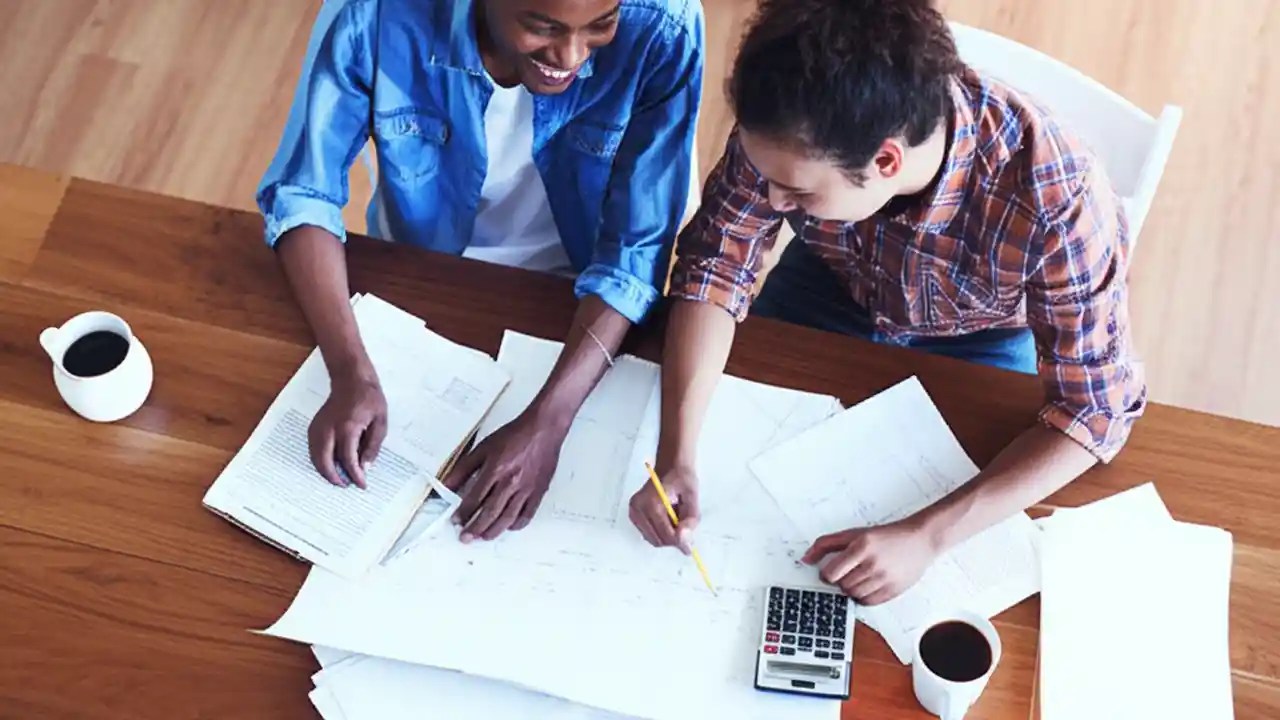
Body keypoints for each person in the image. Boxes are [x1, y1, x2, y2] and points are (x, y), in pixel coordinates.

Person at [629, 0, 1145, 605]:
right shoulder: (792, 125)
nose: (768, 198)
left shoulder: (1057, 200)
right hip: (829, 282)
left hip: (977, 336)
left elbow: (1094, 415)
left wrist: (926, 537)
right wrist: (677, 452)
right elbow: (716, 265)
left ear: (885, 161)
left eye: (793, 190)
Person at [257, 0, 703, 542]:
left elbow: (636, 252)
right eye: (542, 27)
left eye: (601, 26)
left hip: (584, 307)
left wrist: (549, 421)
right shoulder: (375, 11)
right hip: (425, 279)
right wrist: (350, 369)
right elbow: (304, 192)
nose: (570, 56)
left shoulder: (664, 23)